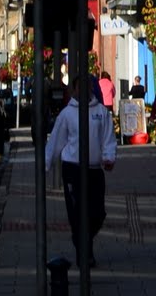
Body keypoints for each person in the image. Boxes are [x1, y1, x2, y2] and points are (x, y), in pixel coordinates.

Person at [44, 76, 116, 266]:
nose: (84, 90)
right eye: (80, 87)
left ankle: (81, 241)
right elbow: (56, 140)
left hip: (94, 170)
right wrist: (46, 163)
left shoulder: (101, 112)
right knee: (77, 214)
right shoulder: (67, 114)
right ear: (73, 90)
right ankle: (85, 255)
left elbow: (108, 138)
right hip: (72, 169)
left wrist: (109, 157)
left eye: (88, 86)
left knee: (98, 214)